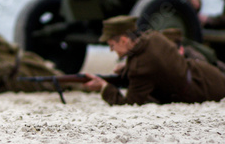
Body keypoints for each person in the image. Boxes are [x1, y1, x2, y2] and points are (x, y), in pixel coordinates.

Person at [83, 16, 225, 105]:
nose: (111, 50)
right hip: (206, 73)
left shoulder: (140, 67)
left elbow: (129, 103)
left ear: (124, 40)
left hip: (203, 89)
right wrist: (127, 68)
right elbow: (152, 63)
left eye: (112, 45)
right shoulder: (153, 37)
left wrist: (103, 87)